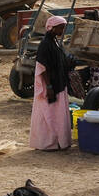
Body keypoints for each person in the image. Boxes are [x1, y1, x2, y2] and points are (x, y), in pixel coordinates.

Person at [30, 16, 73, 150]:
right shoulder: (45, 44)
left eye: (63, 27)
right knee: (48, 115)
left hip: (58, 83)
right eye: (60, 27)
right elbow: (42, 68)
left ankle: (59, 141)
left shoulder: (54, 41)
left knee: (57, 115)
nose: (62, 30)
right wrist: (48, 86)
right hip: (51, 85)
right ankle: (48, 143)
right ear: (52, 28)